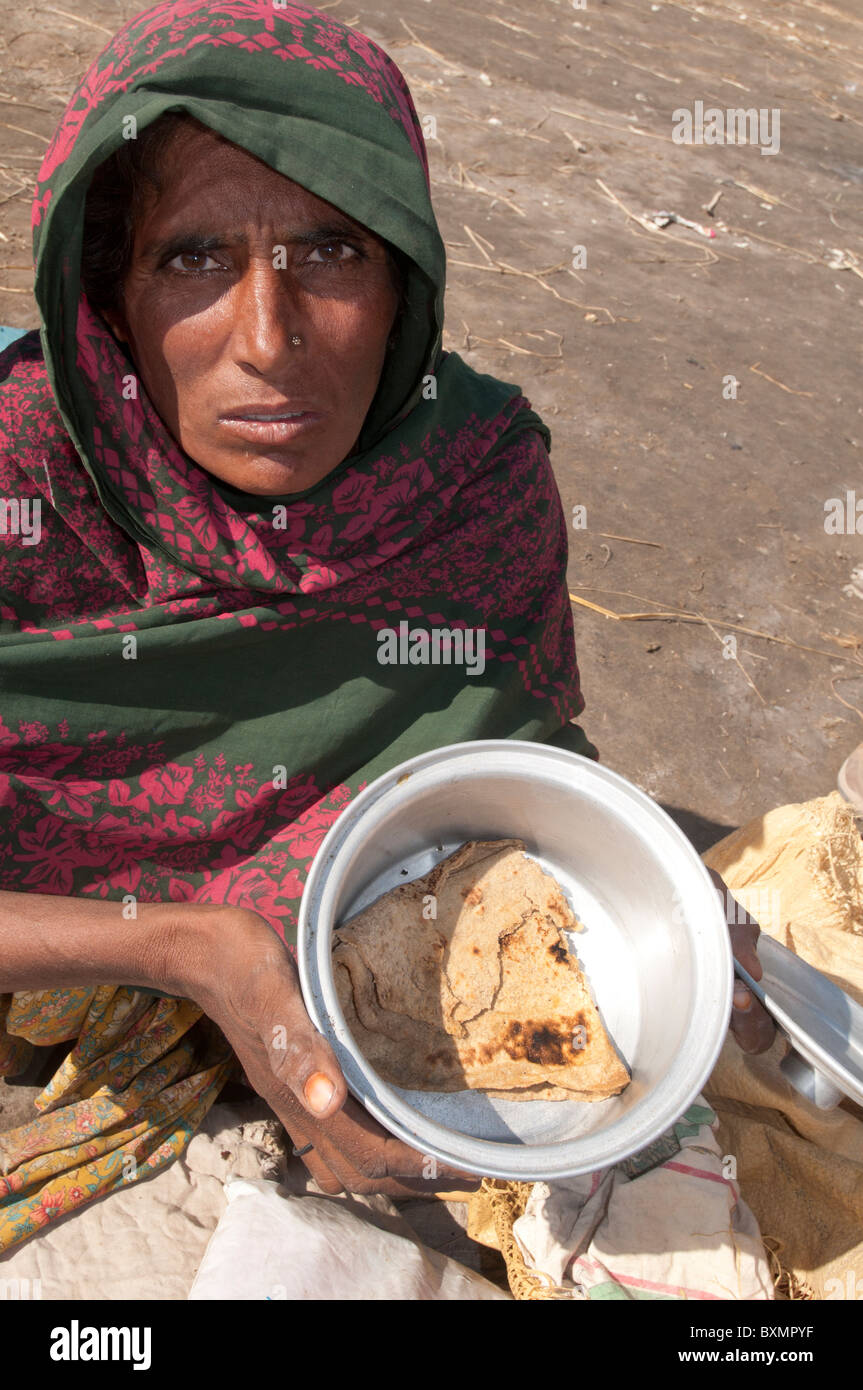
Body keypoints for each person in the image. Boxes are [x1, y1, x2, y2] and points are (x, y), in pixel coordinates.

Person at [0, 0, 771, 1256]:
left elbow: (499, 748)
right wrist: (193, 948)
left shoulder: (470, 476)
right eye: (193, 258)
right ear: (110, 298)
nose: (269, 338)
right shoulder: (25, 472)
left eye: (333, 251)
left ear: (405, 272)